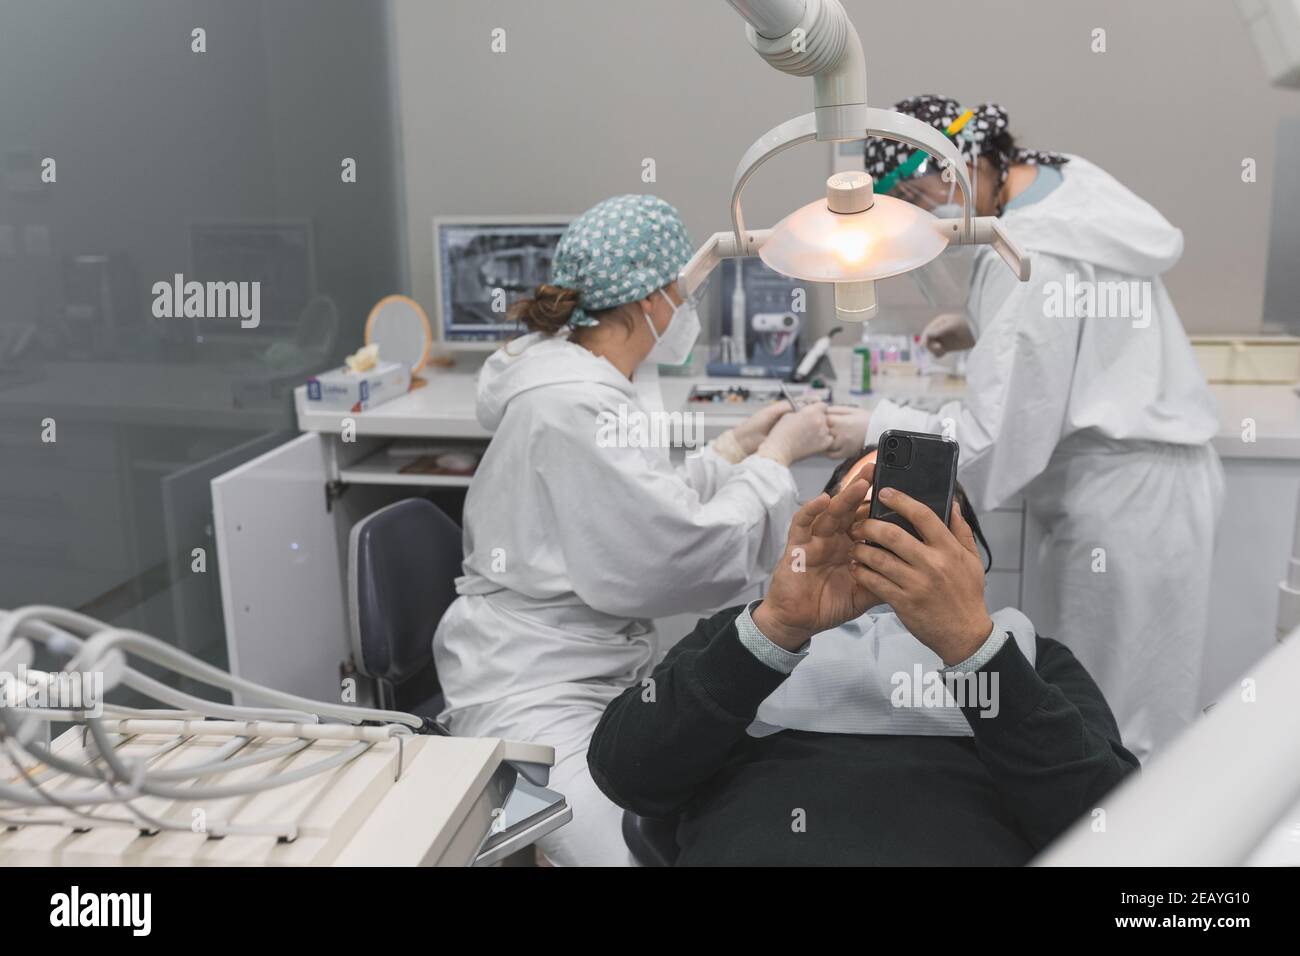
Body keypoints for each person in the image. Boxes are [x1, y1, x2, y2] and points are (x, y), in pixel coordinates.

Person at [433, 194, 833, 866]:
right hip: (532, 694)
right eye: (681, 290)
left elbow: (644, 505)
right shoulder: (573, 405)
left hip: (587, 669)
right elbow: (669, 555)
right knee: (634, 855)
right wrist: (777, 460)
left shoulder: (578, 383)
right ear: (648, 302)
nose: (686, 306)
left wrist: (734, 448)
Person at [825, 96, 1223, 762]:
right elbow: (1077, 326)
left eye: (919, 200)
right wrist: (986, 333)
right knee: (1135, 709)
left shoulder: (1028, 258)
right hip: (1157, 488)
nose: (927, 219)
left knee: (1109, 725)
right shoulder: (1065, 185)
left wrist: (875, 426)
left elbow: (988, 449)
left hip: (1124, 504)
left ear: (956, 167)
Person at [589, 451, 1138, 866]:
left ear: (968, 555)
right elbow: (628, 773)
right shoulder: (744, 637)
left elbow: (1115, 828)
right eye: (865, 508)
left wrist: (971, 648)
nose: (887, 529)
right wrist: (777, 629)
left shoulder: (1026, 656)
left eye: (923, 518)